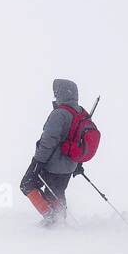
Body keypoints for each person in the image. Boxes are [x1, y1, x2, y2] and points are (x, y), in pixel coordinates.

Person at [21, 79, 84, 226]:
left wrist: (38, 162)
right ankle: (59, 217)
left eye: (56, 92)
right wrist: (78, 163)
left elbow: (48, 141)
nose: (55, 95)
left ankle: (51, 216)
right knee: (56, 191)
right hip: (70, 163)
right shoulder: (80, 112)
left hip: (54, 163)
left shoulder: (60, 114)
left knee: (27, 184)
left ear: (62, 93)